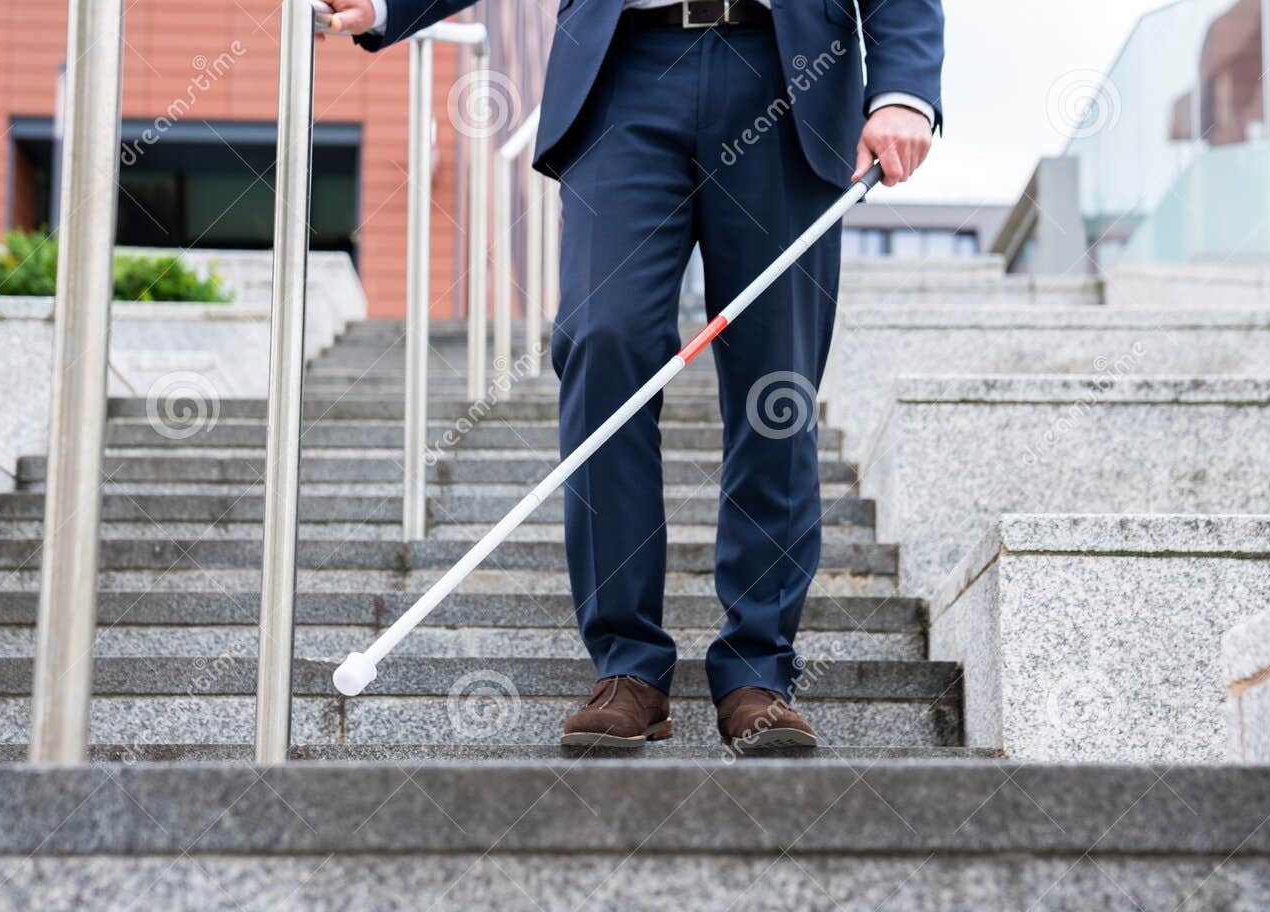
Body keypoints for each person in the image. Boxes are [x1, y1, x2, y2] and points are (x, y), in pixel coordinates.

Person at [326, 0, 942, 749]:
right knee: (602, 335)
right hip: (624, 74)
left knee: (774, 377)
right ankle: (628, 666)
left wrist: (904, 87)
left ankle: (757, 666)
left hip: (787, 74)